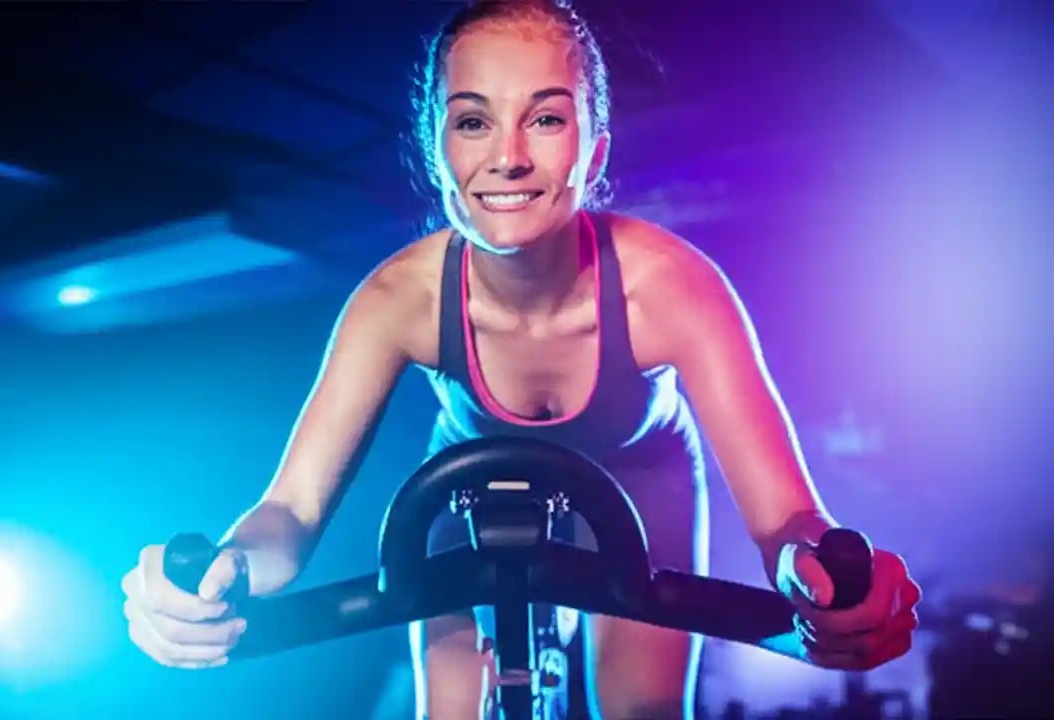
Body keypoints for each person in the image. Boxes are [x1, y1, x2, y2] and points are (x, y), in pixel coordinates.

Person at [120, 1, 921, 718]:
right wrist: (220, 573)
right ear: (438, 150)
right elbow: (290, 513)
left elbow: (790, 523)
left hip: (642, 483)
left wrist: (826, 580)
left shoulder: (674, 288)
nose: (507, 157)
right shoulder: (396, 300)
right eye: (473, 122)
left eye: (544, 119)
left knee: (644, 711)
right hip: (467, 489)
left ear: (593, 151)